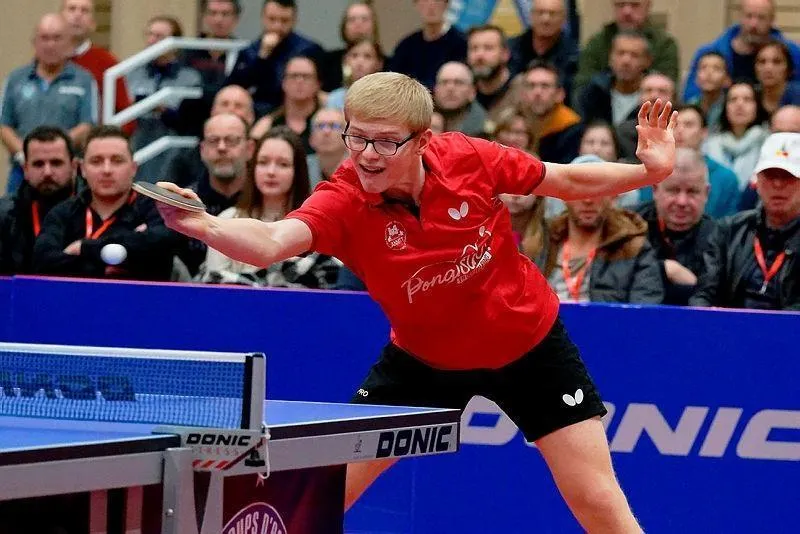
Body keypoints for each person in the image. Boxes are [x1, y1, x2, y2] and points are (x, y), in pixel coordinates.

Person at [156, 71, 677, 533]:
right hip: (421, 363)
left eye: (385, 142)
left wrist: (648, 173)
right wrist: (207, 226)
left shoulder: (470, 158)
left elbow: (563, 179)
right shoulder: (343, 200)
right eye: (356, 137)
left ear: (423, 140)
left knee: (597, 501)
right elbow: (271, 241)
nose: (366, 154)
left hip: (530, 348)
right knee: (324, 492)